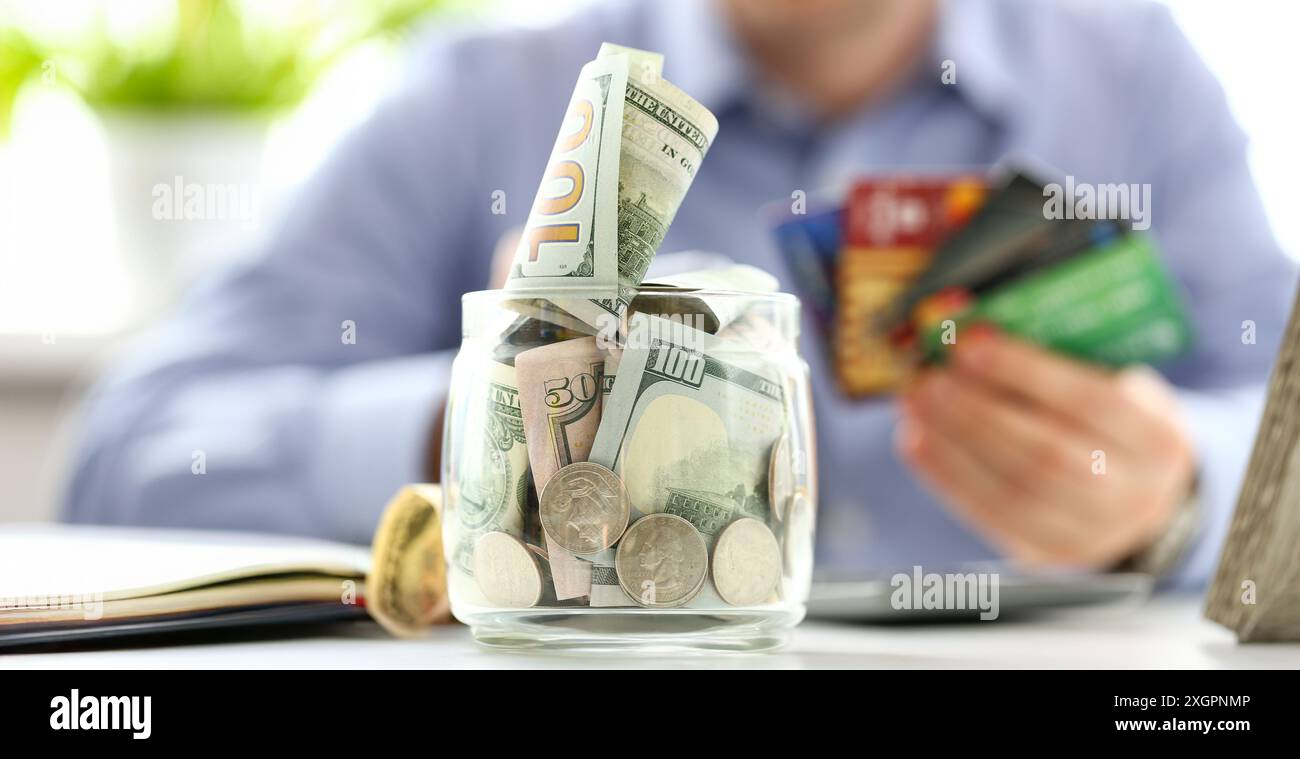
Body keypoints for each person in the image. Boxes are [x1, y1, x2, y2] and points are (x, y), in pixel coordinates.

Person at [63, 0, 1296, 585]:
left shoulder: (1139, 82)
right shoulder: (472, 100)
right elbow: (129, 458)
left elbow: (1274, 420)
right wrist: (466, 426)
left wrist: (1174, 490)